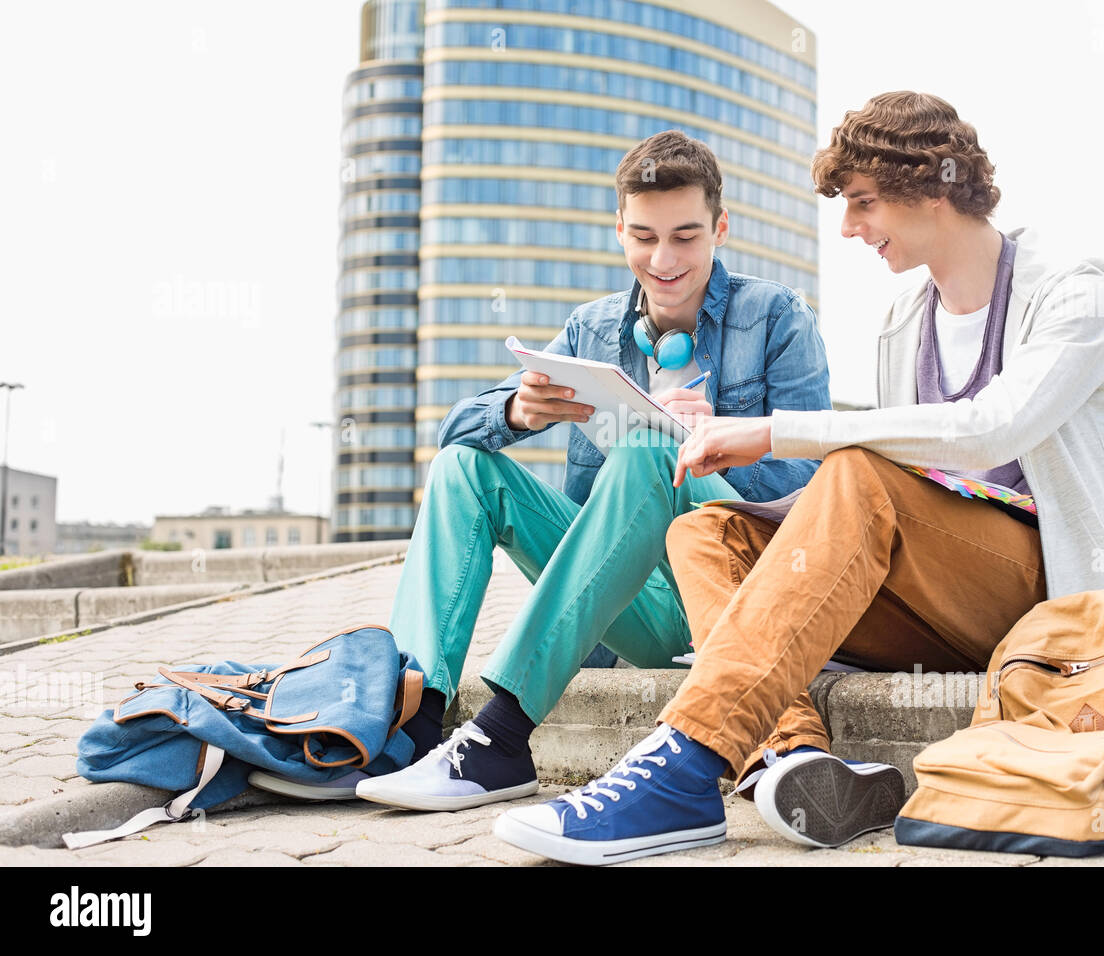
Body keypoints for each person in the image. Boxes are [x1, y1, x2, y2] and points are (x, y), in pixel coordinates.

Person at [493, 91, 1104, 865]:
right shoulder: (903, 318)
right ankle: (790, 756)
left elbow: (991, 427)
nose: (850, 228)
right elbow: (920, 474)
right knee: (706, 530)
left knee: (856, 473)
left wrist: (777, 433)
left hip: (1051, 604)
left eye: (863, 203)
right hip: (937, 600)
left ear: (933, 186)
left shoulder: (1075, 293)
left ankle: (681, 763)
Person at [247, 130, 832, 810]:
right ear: (618, 230)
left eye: (685, 236)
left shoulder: (779, 317)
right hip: (619, 612)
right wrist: (521, 413)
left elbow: (810, 495)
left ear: (720, 228)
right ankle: (406, 726)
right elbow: (456, 430)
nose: (663, 259)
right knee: (464, 467)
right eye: (643, 236)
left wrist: (715, 441)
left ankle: (499, 739)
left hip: (725, 595)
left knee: (646, 448)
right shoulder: (591, 329)